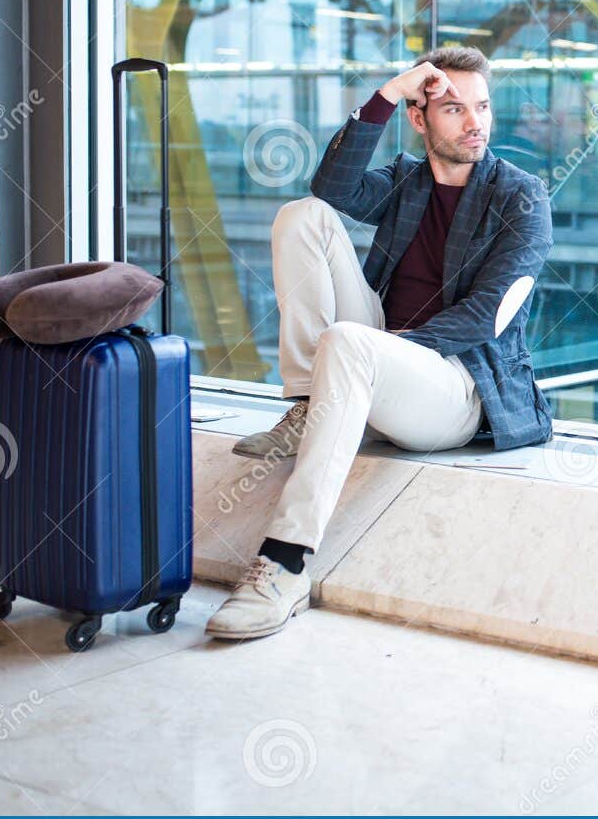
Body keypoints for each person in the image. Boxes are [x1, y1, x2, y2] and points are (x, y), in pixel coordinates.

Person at [206, 47, 554, 640]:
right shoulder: (406, 179)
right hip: (376, 358)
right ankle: (307, 402)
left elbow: (488, 317)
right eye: (453, 109)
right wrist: (387, 93)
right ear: (419, 119)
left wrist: (394, 345)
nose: (475, 123)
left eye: (483, 107)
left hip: (458, 388)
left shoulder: (521, 197)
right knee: (301, 214)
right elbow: (331, 185)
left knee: (351, 341)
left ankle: (285, 565)